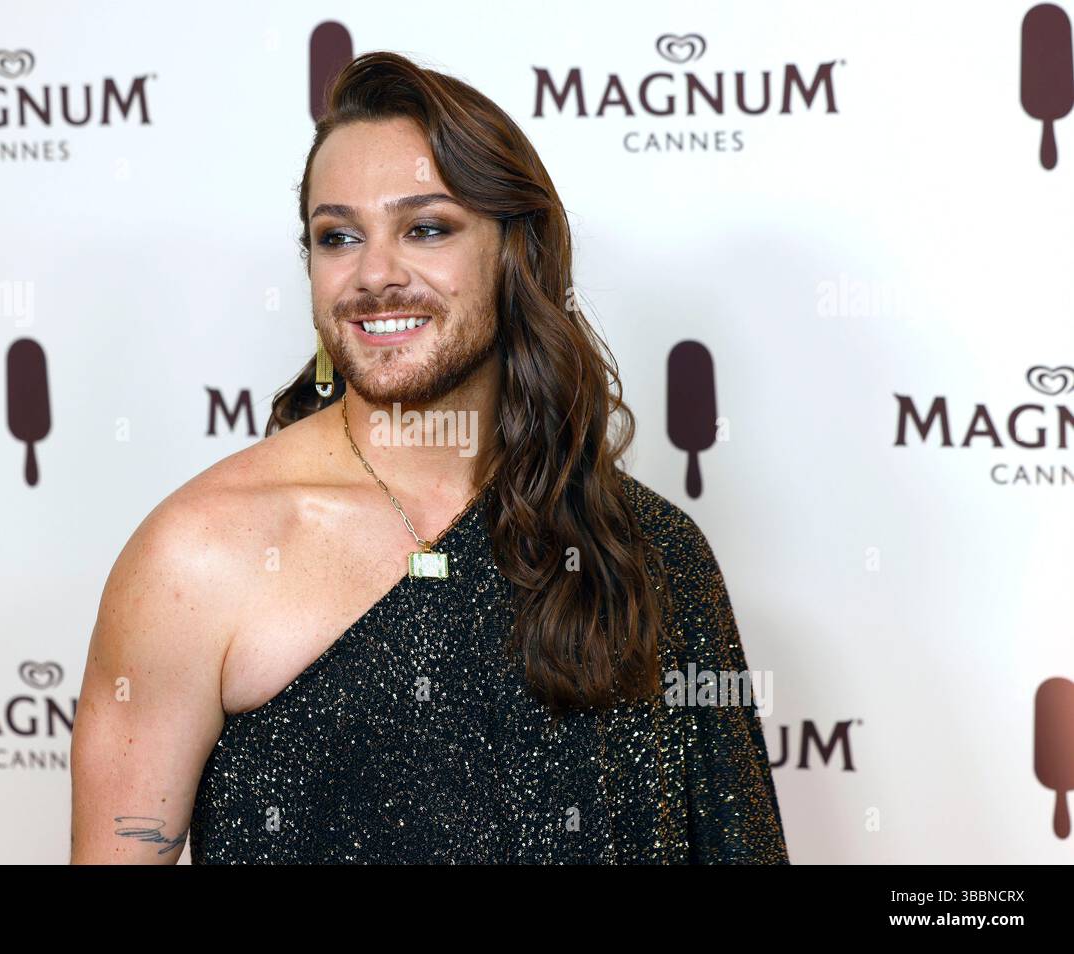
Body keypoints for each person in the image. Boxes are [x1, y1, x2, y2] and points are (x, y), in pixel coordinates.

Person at [69, 50, 788, 864]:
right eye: (338, 236)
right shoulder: (197, 557)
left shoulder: (649, 552)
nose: (375, 274)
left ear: (518, 254)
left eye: (426, 228)